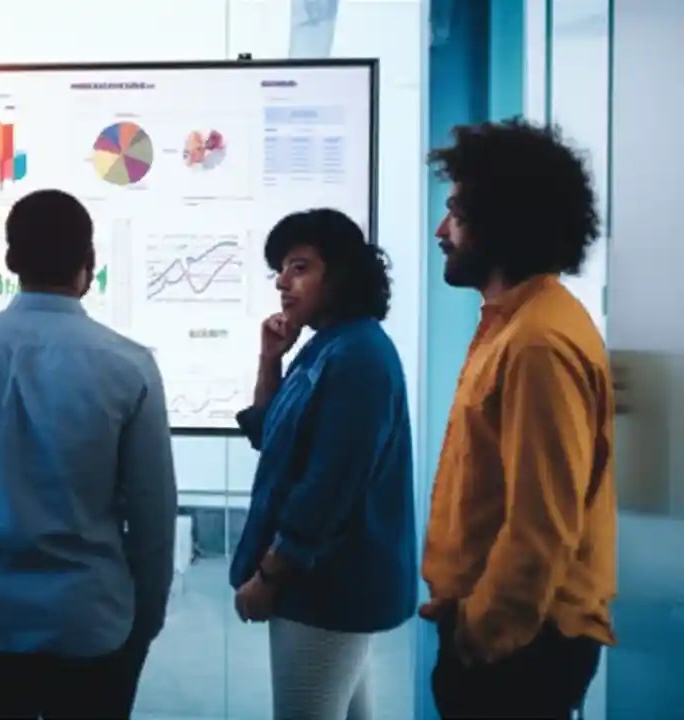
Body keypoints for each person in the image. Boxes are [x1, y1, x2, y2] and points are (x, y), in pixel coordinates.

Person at [0, 189, 179, 719]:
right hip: (93, 623)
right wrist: (147, 618)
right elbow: (152, 517)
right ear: (89, 266)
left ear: (9, 263)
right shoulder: (131, 368)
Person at [422, 118, 616, 718]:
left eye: (455, 212)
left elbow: (542, 523)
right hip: (510, 634)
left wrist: (480, 632)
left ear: (500, 219)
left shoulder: (537, 342)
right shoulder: (515, 325)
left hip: (520, 647)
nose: (441, 230)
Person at [230, 208, 417, 720]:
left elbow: (328, 486)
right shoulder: (326, 347)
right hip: (325, 586)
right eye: (281, 270)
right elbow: (272, 438)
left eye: (299, 267)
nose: (282, 284)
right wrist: (271, 360)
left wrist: (269, 577)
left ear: (340, 274)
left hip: (326, 588)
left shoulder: (358, 355)